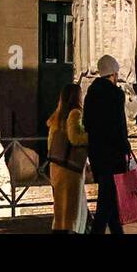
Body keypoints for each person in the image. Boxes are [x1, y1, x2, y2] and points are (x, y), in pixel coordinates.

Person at [82, 54, 131, 235]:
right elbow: (119, 125)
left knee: (110, 198)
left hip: (97, 154)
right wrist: (125, 147)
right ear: (113, 73)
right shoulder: (115, 95)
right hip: (113, 154)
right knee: (106, 201)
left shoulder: (90, 95)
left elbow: (87, 123)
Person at [46, 81, 89, 233]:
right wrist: (92, 136)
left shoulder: (57, 115)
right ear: (77, 96)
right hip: (70, 169)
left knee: (60, 208)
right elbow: (75, 138)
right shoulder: (75, 113)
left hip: (56, 167)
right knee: (72, 208)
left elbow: (50, 143)